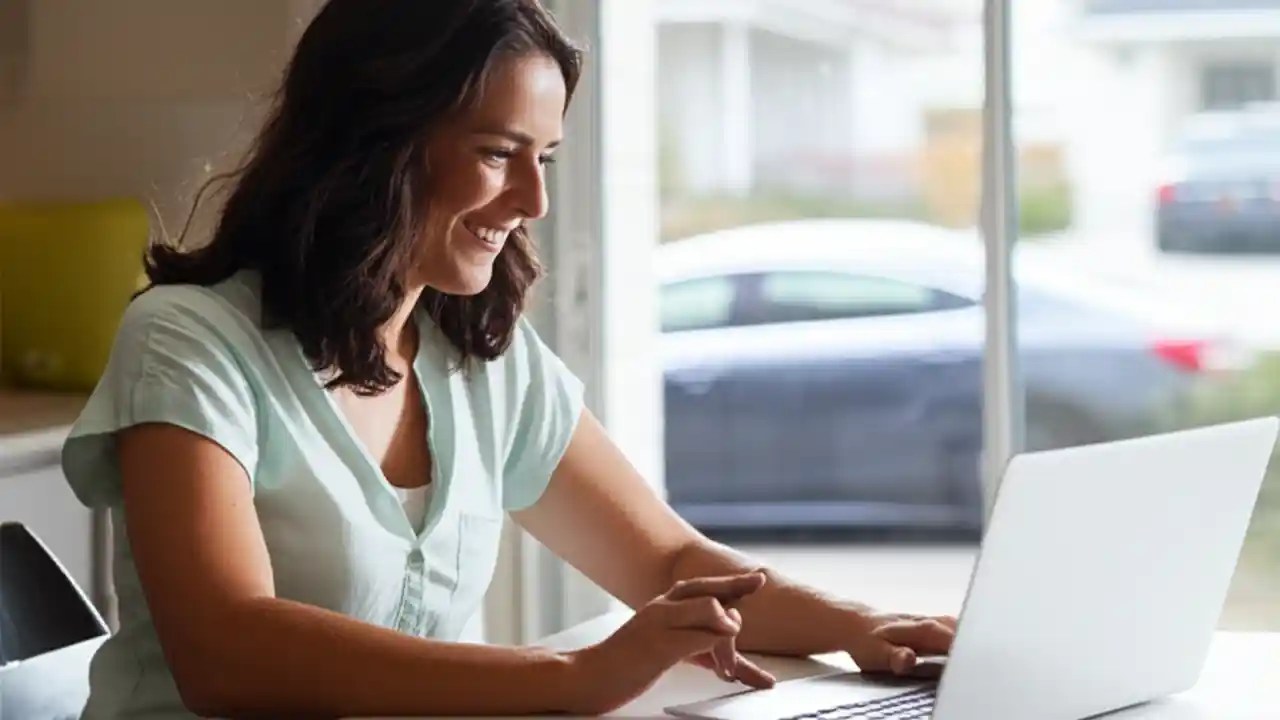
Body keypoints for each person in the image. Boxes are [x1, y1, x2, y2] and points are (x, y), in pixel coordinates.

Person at [61, 1, 956, 717]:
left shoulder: (480, 361)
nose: (532, 199)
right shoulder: (190, 341)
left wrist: (863, 626)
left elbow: (666, 566)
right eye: (497, 154)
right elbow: (226, 651)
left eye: (546, 159)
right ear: (373, 144)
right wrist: (572, 678)